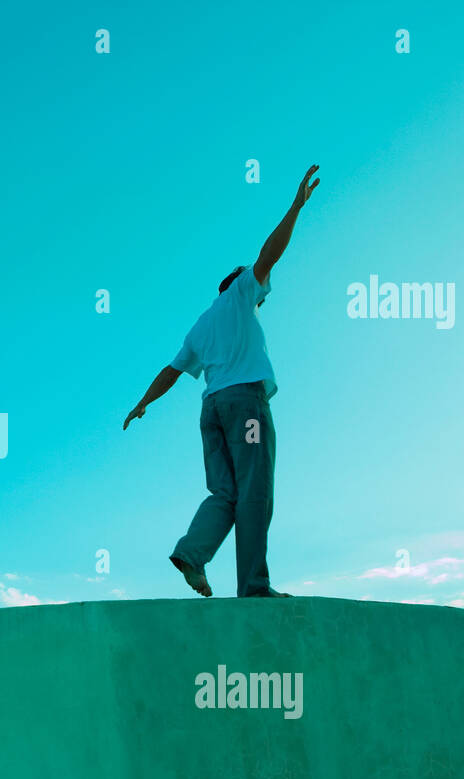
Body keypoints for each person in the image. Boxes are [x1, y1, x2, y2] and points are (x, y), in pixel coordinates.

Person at [122, 165, 321, 598]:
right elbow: (270, 254)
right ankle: (253, 587)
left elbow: (171, 370)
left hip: (211, 409)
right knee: (254, 493)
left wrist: (143, 403)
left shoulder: (202, 322)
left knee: (225, 492)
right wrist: (296, 208)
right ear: (239, 281)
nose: (263, 296)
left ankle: (192, 554)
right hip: (245, 406)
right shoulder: (240, 294)